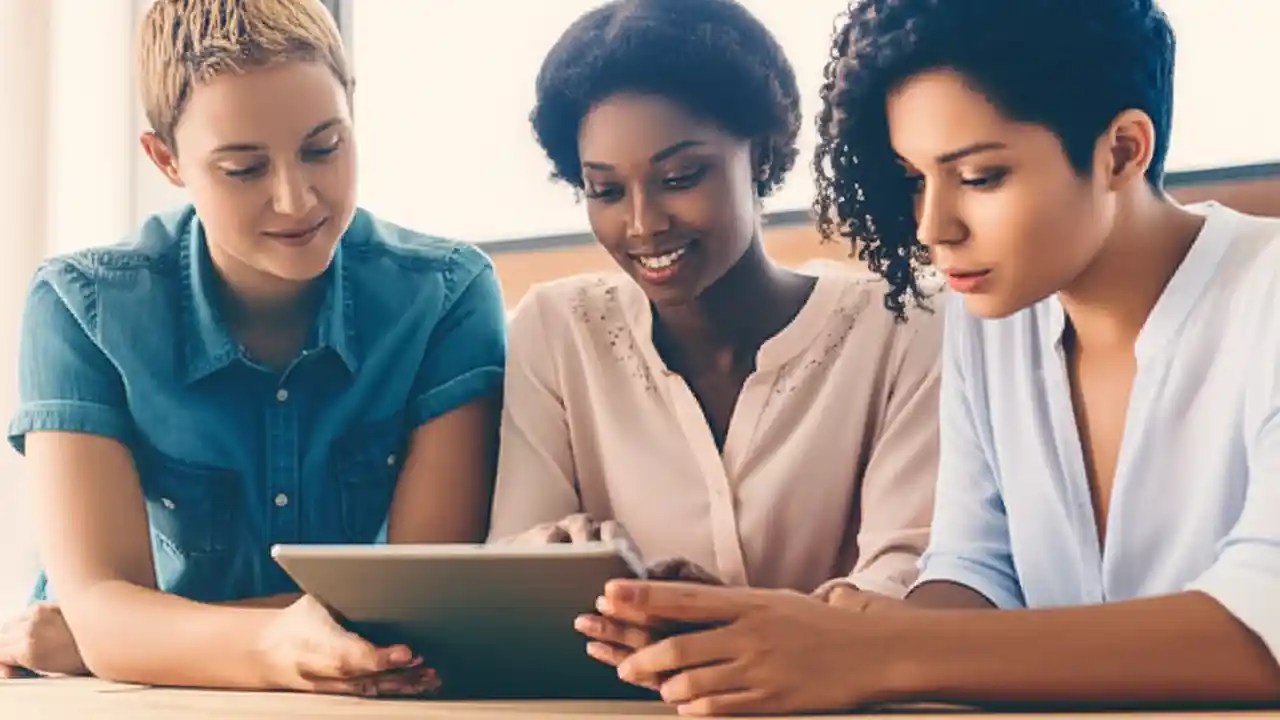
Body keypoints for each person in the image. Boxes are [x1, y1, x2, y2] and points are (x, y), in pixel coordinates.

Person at [587, 0, 1280, 714]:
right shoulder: (993, 315)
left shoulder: (1267, 299)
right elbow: (974, 571)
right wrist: (816, 630)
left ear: (1123, 151)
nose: (933, 227)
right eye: (916, 179)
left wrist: (876, 653)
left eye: (979, 177)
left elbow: (1263, 631)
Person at [0, 0, 505, 697]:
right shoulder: (80, 308)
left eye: (324, 148)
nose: (296, 199)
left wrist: (124, 639)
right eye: (243, 168)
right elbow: (102, 614)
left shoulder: (447, 297)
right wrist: (118, 634)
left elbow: (423, 609)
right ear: (167, 160)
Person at [489, 0, 943, 650]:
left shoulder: (903, 324)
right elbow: (509, 560)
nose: (643, 224)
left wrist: (728, 620)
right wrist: (558, 556)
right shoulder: (558, 329)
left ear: (758, 155)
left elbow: (912, 577)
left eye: (681, 177)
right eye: (607, 192)